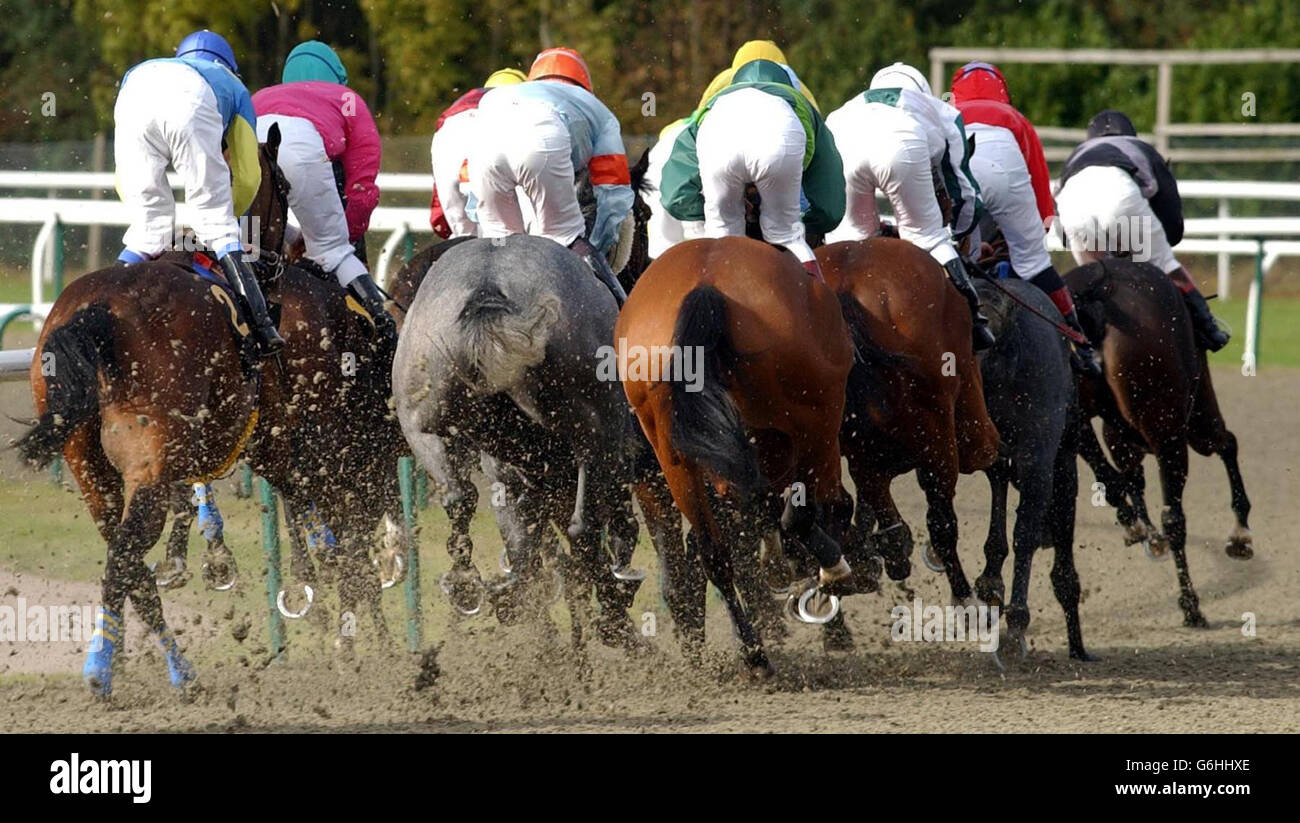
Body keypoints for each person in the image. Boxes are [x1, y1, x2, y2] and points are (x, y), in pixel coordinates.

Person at [113, 29, 283, 355]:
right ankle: (263, 327)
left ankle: (103, 303)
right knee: (217, 225)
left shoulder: (146, 69)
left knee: (147, 232)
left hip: (131, 93)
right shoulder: (232, 85)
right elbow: (248, 176)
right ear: (229, 66)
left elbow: (123, 180)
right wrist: (223, 221)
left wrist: (146, 213)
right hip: (192, 100)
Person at [825, 62, 995, 349]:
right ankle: (974, 318)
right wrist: (959, 231)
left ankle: (829, 321)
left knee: (853, 243)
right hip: (900, 145)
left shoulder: (841, 111)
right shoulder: (942, 111)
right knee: (928, 237)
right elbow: (963, 191)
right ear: (924, 90)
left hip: (846, 144)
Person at [950, 61, 1099, 372]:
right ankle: (1079, 342)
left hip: (963, 181)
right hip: (1007, 179)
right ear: (1002, 91)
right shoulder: (1015, 119)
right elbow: (1040, 188)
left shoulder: (944, 115)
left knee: (954, 260)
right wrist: (1035, 235)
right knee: (1033, 263)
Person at [252, 40, 394, 343]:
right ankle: (385, 334)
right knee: (334, 251)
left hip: (253, 151)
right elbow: (361, 188)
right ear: (337, 75)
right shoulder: (347, 98)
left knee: (249, 248)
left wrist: (293, 239)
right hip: (302, 148)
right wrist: (344, 235)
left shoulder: (261, 95)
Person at [1056, 109, 1230, 351]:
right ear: (1129, 133)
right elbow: (1173, 226)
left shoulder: (1077, 155)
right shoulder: (1141, 148)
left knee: (1093, 279)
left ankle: (1089, 349)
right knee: (1169, 267)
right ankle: (1209, 328)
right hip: (1120, 195)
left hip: (1072, 204)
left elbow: (1062, 233)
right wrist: (1148, 248)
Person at [469, 47, 632, 304]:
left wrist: (482, 213)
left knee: (500, 245)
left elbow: (473, 197)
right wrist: (599, 243)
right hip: (541, 141)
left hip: (485, 141)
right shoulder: (597, 109)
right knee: (563, 236)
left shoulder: (509, 92)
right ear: (584, 84)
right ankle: (620, 310)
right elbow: (613, 190)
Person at [659, 58, 845, 281]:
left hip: (719, 139)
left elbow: (675, 194)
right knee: (787, 236)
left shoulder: (710, 107)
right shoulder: (800, 103)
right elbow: (829, 205)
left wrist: (712, 211)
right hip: (779, 142)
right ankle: (819, 308)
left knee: (723, 237)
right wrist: (807, 221)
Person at [429, 68, 527, 239]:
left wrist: (446, 228)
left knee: (462, 239)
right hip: (500, 133)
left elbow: (441, 202)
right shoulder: (524, 104)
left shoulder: (460, 105)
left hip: (449, 134)